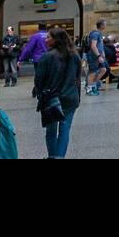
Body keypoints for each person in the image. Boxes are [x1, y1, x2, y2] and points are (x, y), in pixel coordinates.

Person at [34, 27, 81, 158]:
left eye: (48, 37)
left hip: (51, 98)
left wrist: (40, 95)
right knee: (65, 130)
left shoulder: (47, 57)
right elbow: (77, 78)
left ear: (56, 40)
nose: (45, 39)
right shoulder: (75, 55)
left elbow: (39, 80)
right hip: (71, 97)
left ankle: (52, 156)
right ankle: (59, 157)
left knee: (51, 131)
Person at [85, 20, 109, 95]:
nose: (105, 26)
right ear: (101, 26)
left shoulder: (99, 34)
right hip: (94, 56)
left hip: (99, 56)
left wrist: (102, 53)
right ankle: (89, 88)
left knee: (103, 69)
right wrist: (98, 56)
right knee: (92, 72)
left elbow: (99, 45)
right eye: (105, 24)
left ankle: (93, 84)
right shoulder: (95, 34)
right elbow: (93, 45)